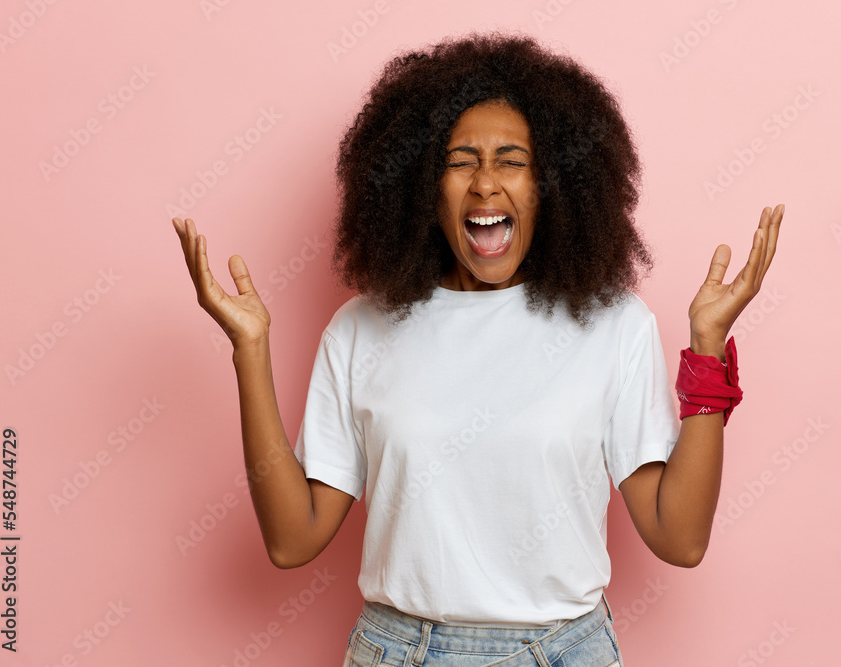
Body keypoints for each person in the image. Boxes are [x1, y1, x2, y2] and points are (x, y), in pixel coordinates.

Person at [173, 32, 783, 667]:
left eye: (512, 160)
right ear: (421, 187)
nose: (486, 183)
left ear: (551, 186)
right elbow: (291, 540)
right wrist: (250, 349)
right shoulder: (360, 330)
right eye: (461, 160)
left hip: (564, 650)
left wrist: (707, 354)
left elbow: (679, 539)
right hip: (398, 651)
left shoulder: (613, 325)